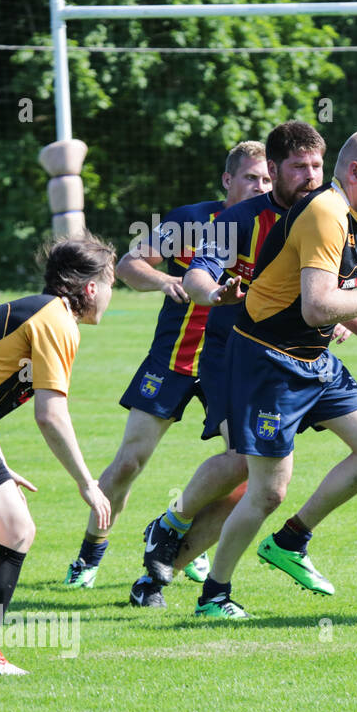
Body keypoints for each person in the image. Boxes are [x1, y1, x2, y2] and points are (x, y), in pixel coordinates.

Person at [133, 121, 357, 606]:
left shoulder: (342, 214)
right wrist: (216, 293)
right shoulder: (242, 220)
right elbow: (197, 274)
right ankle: (175, 554)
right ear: (273, 171)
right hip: (237, 352)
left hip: (307, 354)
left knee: (263, 480)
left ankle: (175, 548)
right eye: (299, 167)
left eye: (317, 166)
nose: (310, 175)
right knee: (251, 478)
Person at [191, 129, 357, 618]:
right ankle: (214, 594)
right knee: (266, 491)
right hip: (268, 360)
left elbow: (330, 302)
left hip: (312, 358)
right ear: (356, 172)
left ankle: (290, 541)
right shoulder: (326, 213)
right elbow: (319, 306)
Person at [62, 142, 270, 591]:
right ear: (227, 181)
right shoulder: (192, 220)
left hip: (232, 365)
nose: (261, 186)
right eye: (251, 177)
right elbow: (129, 264)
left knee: (249, 471)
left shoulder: (275, 226)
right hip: (173, 360)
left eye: (267, 179)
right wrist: (167, 279)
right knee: (128, 464)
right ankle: (89, 553)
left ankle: (177, 541)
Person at [0, 235, 115, 676]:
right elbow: (50, 415)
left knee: (16, 529)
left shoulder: (40, 311)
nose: (110, 295)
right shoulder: (56, 321)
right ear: (91, 288)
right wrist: (87, 482)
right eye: (110, 283)